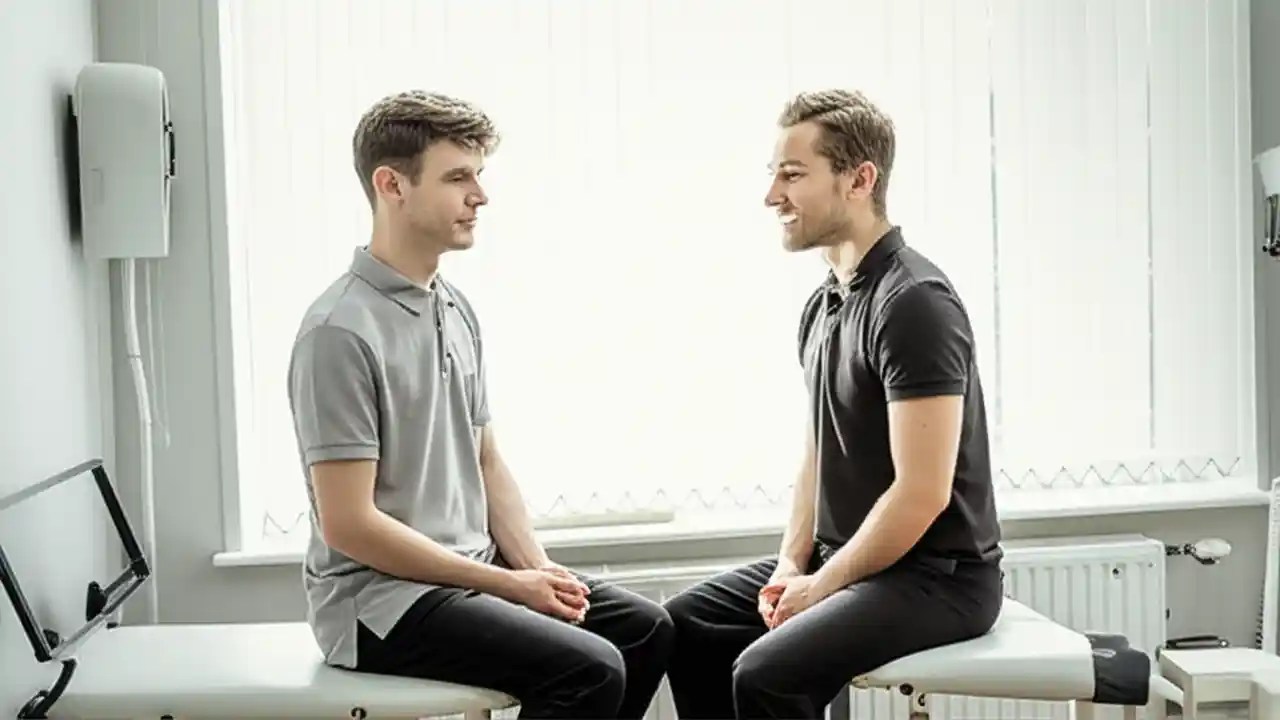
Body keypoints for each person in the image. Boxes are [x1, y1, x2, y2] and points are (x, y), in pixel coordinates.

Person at [286, 90, 674, 719]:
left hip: (467, 575)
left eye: (479, 175)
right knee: (591, 667)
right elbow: (349, 525)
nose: (480, 195)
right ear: (393, 185)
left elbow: (487, 459)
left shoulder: (453, 306)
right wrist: (505, 584)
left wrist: (543, 575)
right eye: (458, 177)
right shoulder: (339, 332)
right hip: (382, 602)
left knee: (644, 630)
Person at [663, 89, 1005, 719]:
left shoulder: (915, 304)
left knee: (767, 673)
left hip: (937, 578)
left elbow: (922, 493)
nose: (773, 196)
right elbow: (818, 452)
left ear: (859, 179)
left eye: (792, 175)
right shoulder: (826, 304)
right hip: (848, 558)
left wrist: (820, 586)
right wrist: (792, 564)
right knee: (687, 626)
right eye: (774, 175)